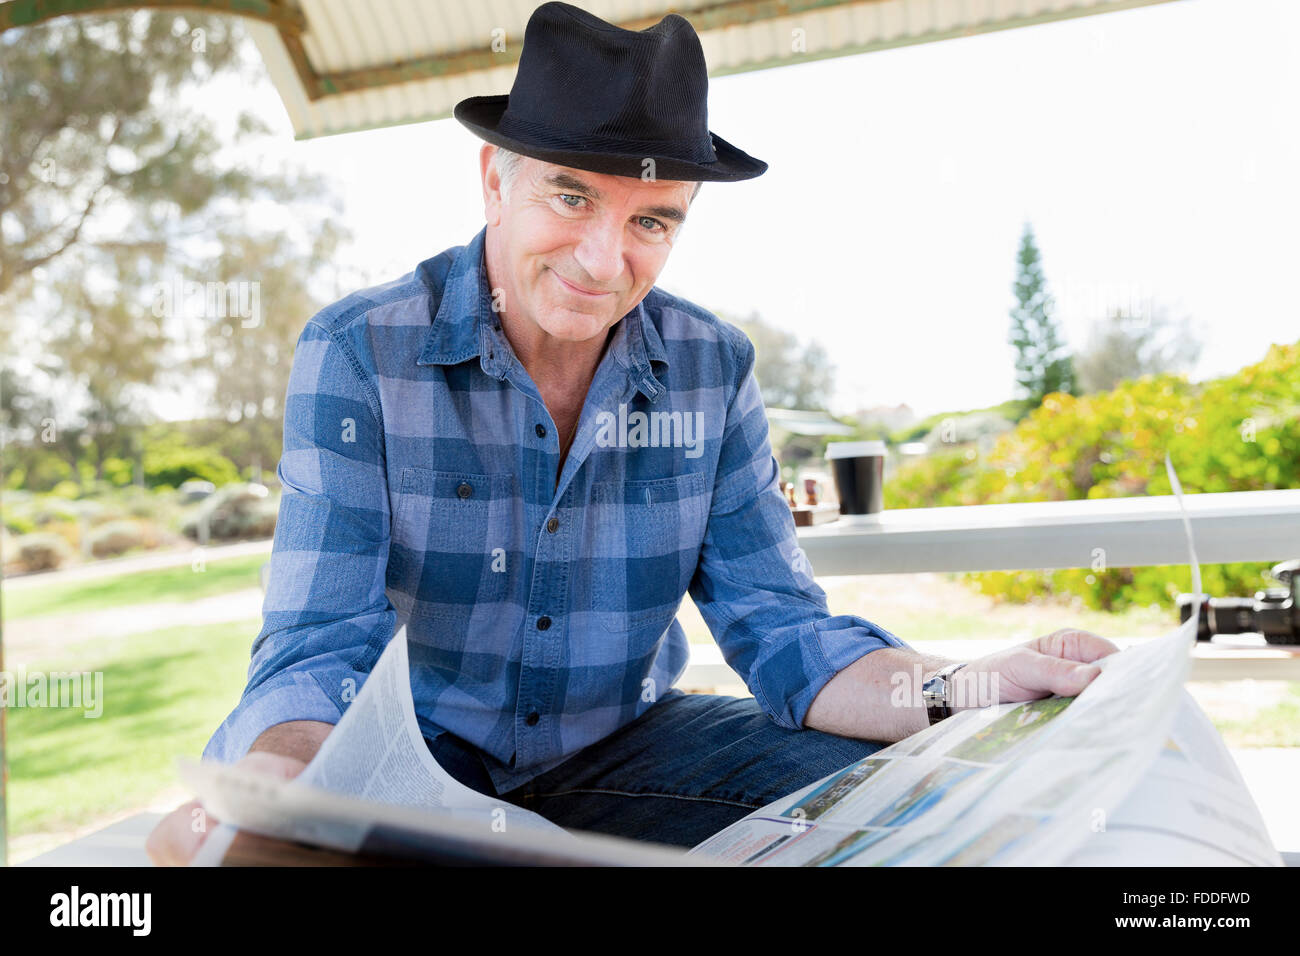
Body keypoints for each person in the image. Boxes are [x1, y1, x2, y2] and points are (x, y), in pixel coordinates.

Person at [148, 1, 1116, 864]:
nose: (603, 261)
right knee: (242, 843)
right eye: (570, 196)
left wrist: (965, 682)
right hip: (417, 758)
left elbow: (784, 633)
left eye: (652, 220)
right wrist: (284, 791)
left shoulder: (711, 363)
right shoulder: (360, 350)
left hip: (623, 749)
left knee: (914, 802)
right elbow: (318, 642)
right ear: (495, 180)